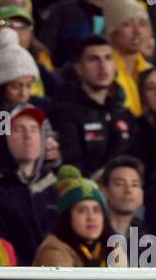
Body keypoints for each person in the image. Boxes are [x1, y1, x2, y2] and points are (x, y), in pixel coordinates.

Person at [48, 36, 134, 176]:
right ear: (79, 68)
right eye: (93, 59)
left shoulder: (122, 112)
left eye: (108, 58)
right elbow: (71, 167)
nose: (102, 66)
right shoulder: (64, 111)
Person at [0, 103, 54, 262]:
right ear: (3, 138)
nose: (28, 136)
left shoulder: (55, 184)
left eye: (34, 129)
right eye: (18, 129)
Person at [33, 166, 125, 268]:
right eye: (82, 210)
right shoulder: (53, 252)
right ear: (67, 218)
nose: (91, 217)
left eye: (96, 210)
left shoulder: (113, 248)